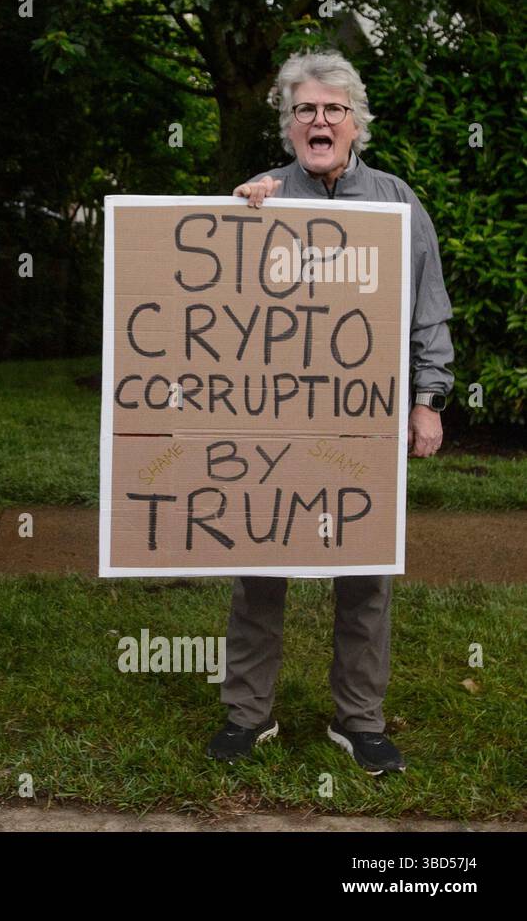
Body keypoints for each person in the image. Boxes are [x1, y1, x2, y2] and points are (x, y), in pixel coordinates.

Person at [206, 50, 455, 775]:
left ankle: (360, 722)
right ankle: (248, 717)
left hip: (363, 419)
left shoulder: (398, 203)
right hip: (271, 424)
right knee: (258, 566)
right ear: (288, 125)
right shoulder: (256, 198)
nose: (320, 120)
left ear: (355, 124)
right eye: (306, 110)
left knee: (366, 571)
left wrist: (427, 402)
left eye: (334, 109)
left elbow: (428, 315)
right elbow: (216, 308)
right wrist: (234, 218)